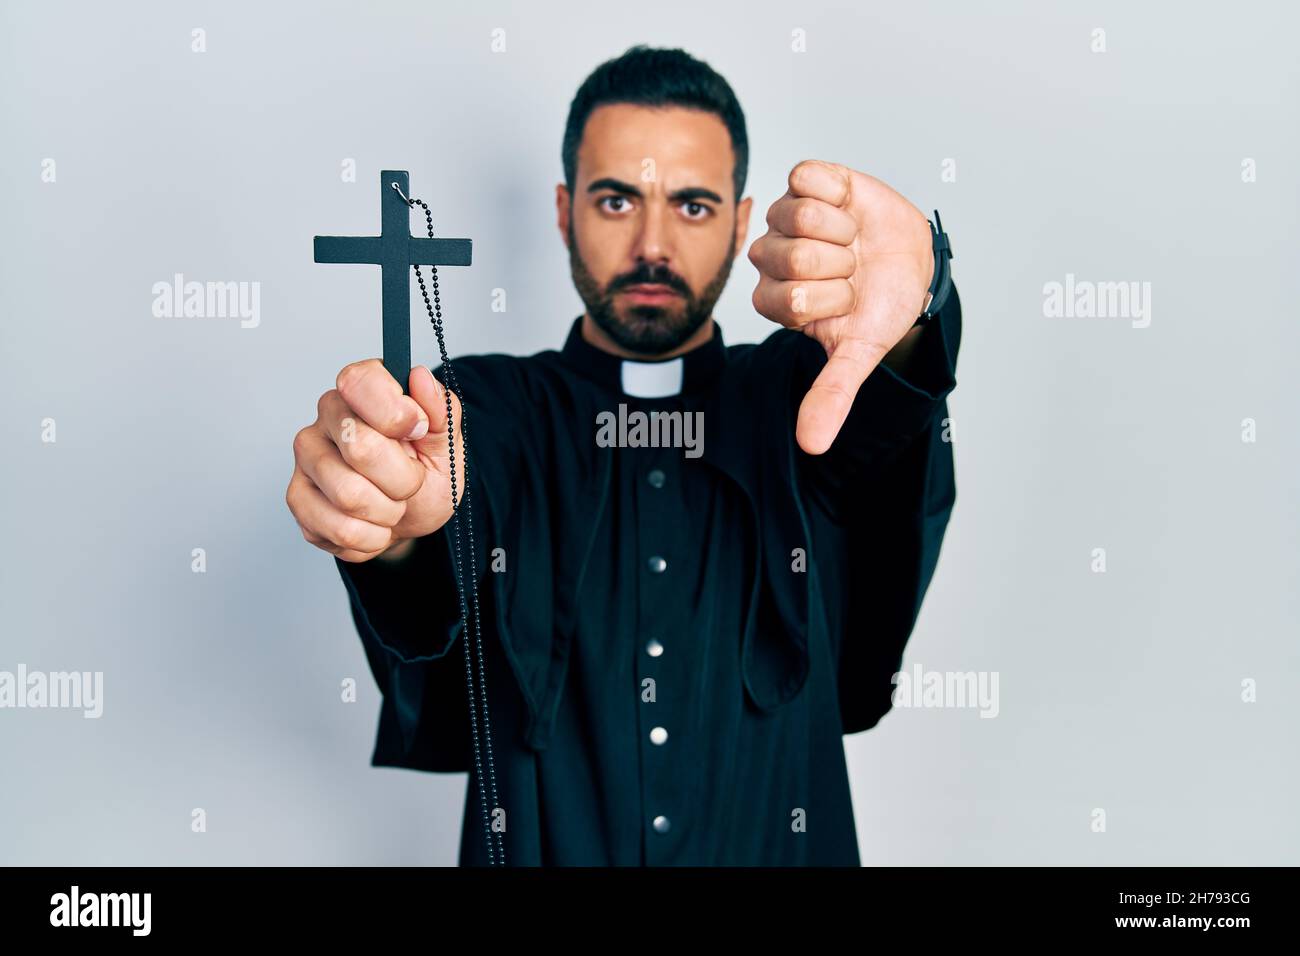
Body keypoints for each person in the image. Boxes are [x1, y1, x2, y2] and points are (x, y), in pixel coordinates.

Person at [285, 45, 961, 865]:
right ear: (565, 212)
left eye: (693, 205)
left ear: (743, 224)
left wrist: (920, 309)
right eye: (616, 201)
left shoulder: (800, 396)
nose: (652, 244)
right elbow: (438, 502)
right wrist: (392, 532)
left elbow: (886, 424)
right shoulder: (485, 412)